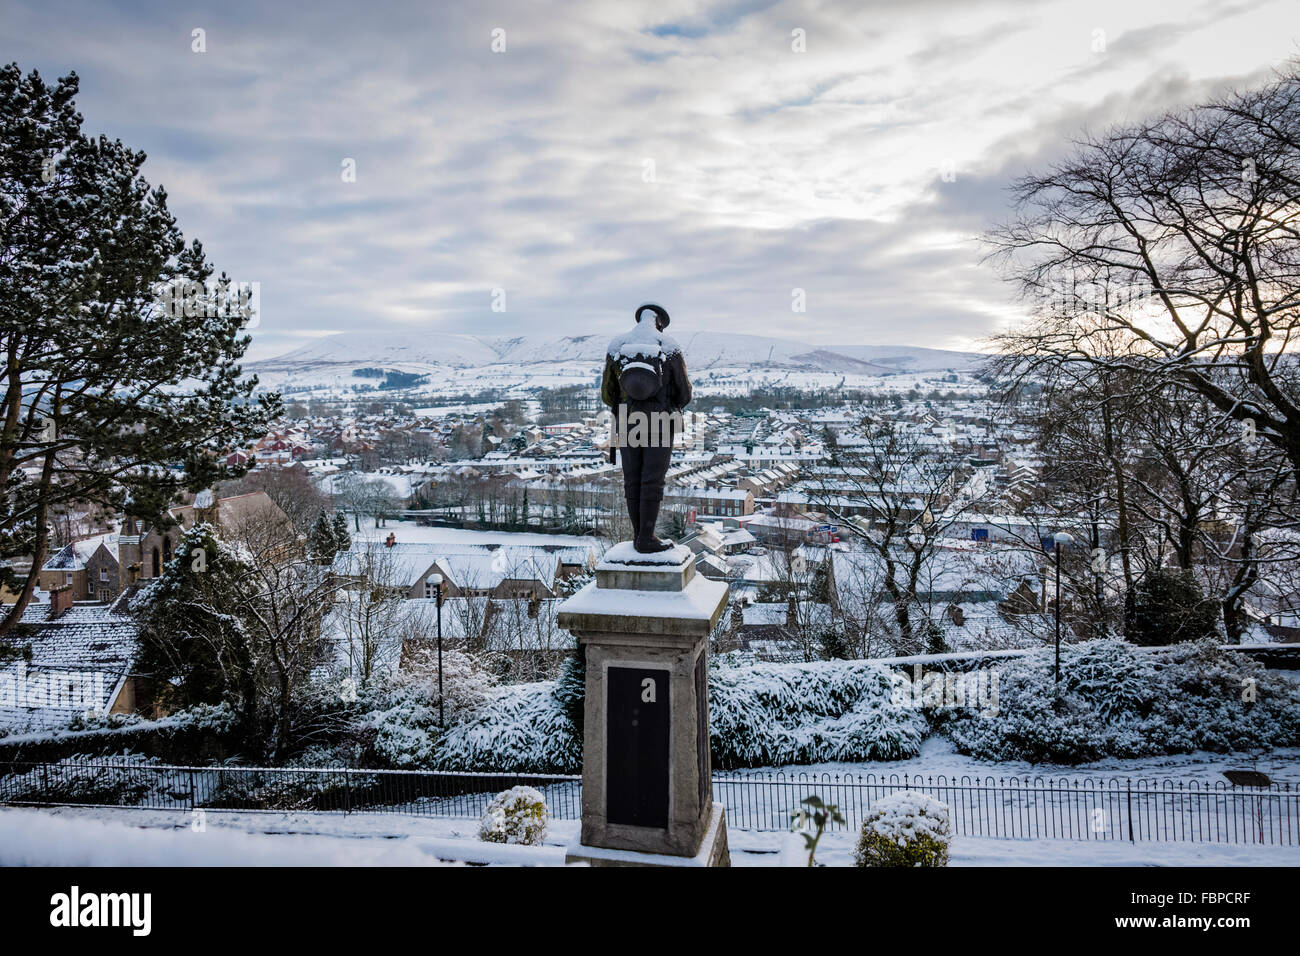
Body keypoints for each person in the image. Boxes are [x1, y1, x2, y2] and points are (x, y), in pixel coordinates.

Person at [601, 303, 692, 553]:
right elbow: (684, 394)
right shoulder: (670, 348)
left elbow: (607, 395)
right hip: (660, 422)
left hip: (625, 421)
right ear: (659, 323)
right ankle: (646, 537)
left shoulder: (617, 347)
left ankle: (638, 536)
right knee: (652, 481)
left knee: (632, 480)